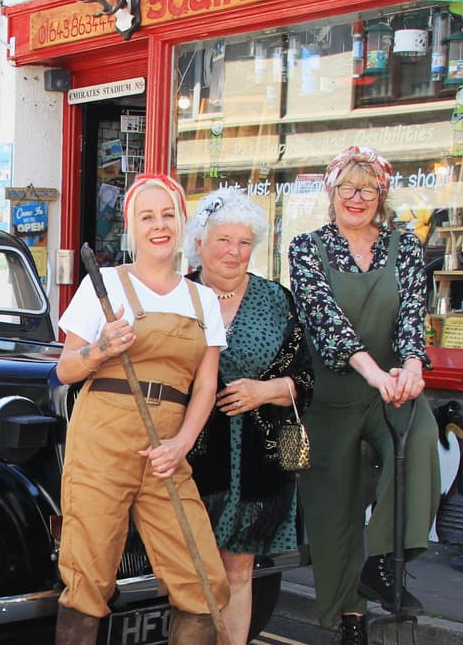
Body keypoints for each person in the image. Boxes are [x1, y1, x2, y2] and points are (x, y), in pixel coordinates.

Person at [54, 174, 229, 644]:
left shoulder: (203, 299)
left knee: (203, 583)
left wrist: (181, 445)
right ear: (131, 227)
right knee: (87, 581)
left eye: (168, 214)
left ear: (182, 222)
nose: (159, 225)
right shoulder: (103, 285)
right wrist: (101, 349)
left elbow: (206, 387)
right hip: (101, 445)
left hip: (167, 450)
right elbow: (66, 370)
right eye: (146, 216)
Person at [288, 146, 440, 645]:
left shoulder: (405, 247)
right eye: (347, 187)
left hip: (389, 386)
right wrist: (373, 372)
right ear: (331, 193)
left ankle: (384, 561)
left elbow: (413, 316)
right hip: (331, 390)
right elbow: (325, 322)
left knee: (419, 436)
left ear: (382, 195)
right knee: (335, 510)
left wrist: (413, 364)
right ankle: (348, 618)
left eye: (368, 188)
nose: (357, 197)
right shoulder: (308, 248)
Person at [184, 188, 314, 644]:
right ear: (200, 242)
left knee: (238, 569)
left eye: (244, 242)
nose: (234, 252)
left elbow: (306, 378)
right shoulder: (177, 295)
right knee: (189, 570)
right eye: (223, 240)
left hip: (258, 464)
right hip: (192, 458)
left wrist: (266, 390)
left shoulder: (275, 299)